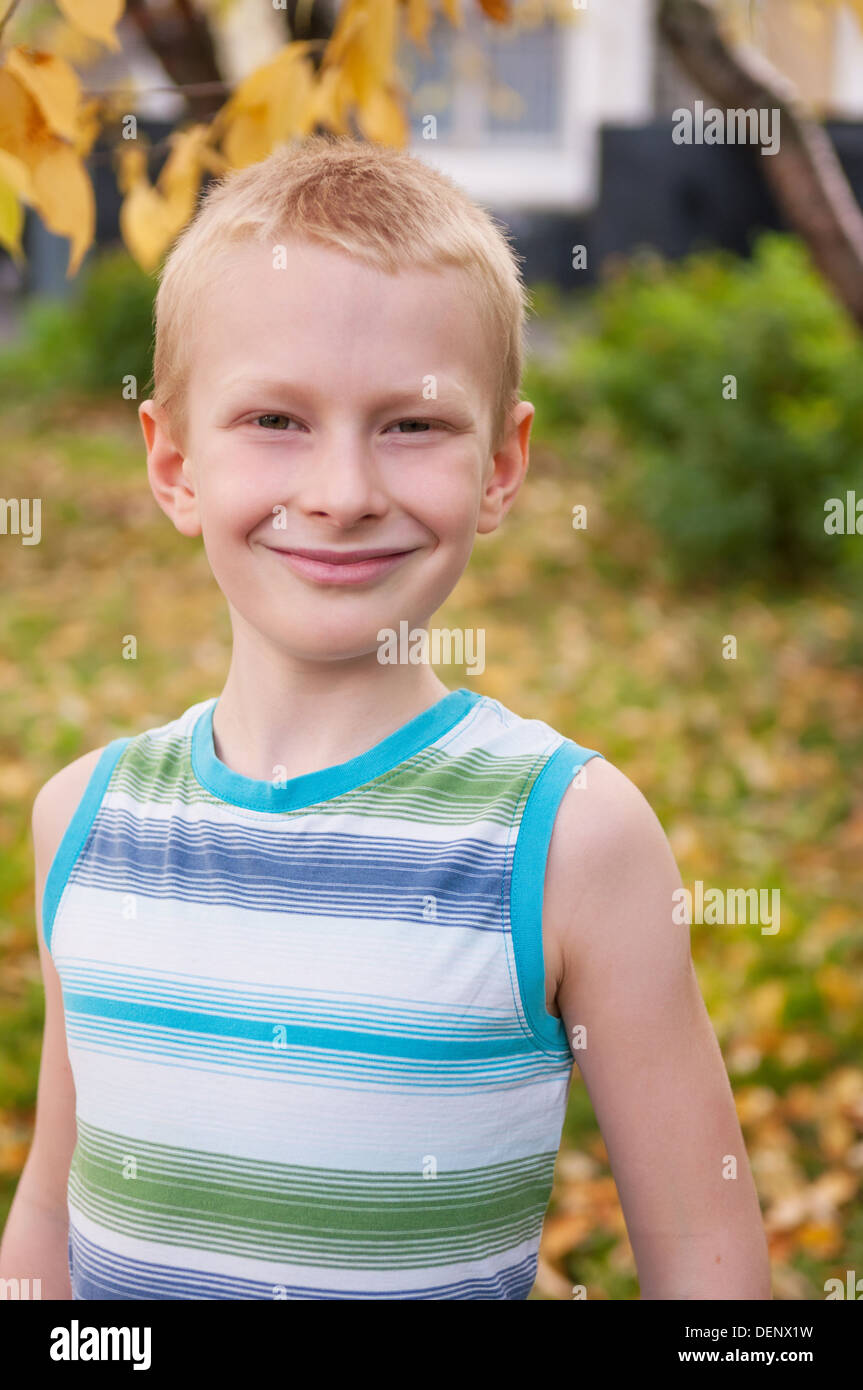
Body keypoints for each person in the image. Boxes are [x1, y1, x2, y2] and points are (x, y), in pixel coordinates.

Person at [0, 135, 770, 1301]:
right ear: (172, 463)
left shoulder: (567, 841)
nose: (343, 492)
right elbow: (48, 1222)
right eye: (274, 420)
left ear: (501, 466)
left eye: (411, 426)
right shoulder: (82, 822)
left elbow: (708, 1273)